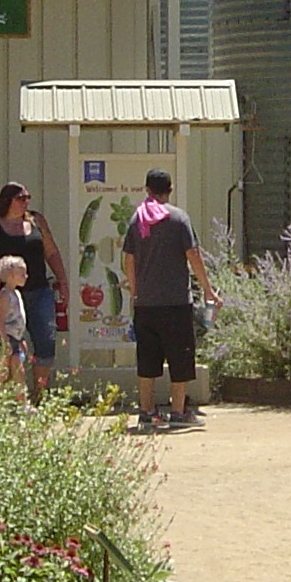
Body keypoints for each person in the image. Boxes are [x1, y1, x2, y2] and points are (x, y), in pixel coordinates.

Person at [121, 167, 222, 430]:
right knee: (180, 357)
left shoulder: (137, 220)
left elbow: (128, 260)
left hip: (146, 303)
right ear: (170, 190)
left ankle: (146, 411)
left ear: (147, 190)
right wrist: (208, 290)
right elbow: (193, 255)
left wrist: (135, 291)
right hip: (176, 301)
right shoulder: (178, 219)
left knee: (148, 359)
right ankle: (178, 411)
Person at [0, 184, 69, 393]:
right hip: (6, 295)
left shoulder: (36, 221)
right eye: (21, 198)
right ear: (8, 200)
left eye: (27, 198)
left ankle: (39, 396)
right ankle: (8, 396)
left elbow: (51, 253)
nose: (25, 202)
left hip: (39, 291)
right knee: (8, 345)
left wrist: (63, 281)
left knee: (45, 344)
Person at [0, 254, 32, 398]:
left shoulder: (16, 293)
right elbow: (0, 320)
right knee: (4, 372)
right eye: (22, 273)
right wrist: (5, 342)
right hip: (7, 338)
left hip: (16, 338)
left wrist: (21, 338)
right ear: (11, 275)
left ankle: (22, 403)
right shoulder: (5, 295)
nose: (26, 276)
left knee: (18, 371)